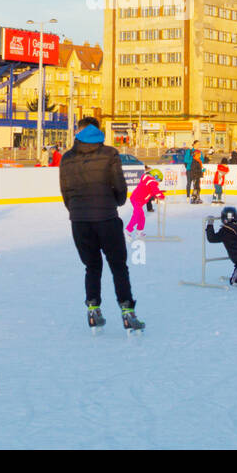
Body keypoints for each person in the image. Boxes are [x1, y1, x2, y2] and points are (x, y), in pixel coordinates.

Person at [59, 117, 144, 332]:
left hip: (79, 221)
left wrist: (76, 211)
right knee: (118, 266)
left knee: (92, 266)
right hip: (106, 217)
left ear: (79, 131)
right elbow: (119, 184)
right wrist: (114, 202)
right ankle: (127, 312)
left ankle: (93, 310)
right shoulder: (109, 154)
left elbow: (65, 191)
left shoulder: (67, 157)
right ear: (97, 130)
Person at [127, 168, 164, 236]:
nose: (158, 182)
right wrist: (161, 196)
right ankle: (127, 231)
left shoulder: (149, 182)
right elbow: (155, 190)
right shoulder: (151, 181)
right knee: (137, 215)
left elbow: (151, 192)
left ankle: (139, 231)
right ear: (155, 176)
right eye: (158, 180)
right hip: (136, 199)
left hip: (138, 200)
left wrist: (159, 193)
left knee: (142, 217)